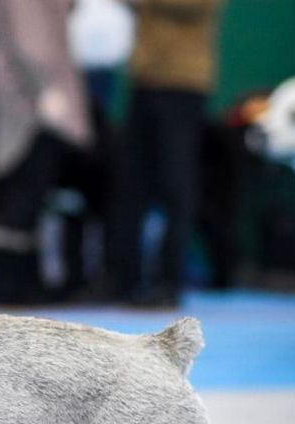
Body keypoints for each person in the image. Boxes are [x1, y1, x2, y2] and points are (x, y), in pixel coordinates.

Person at [109, 0, 223, 307]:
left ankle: (169, 282)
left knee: (177, 184)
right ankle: (123, 281)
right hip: (144, 80)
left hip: (184, 83)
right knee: (130, 184)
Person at [0, 0, 92, 305]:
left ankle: (20, 283)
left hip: (42, 106)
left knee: (32, 201)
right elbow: (30, 46)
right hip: (35, 111)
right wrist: (47, 90)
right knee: (23, 200)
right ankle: (9, 284)